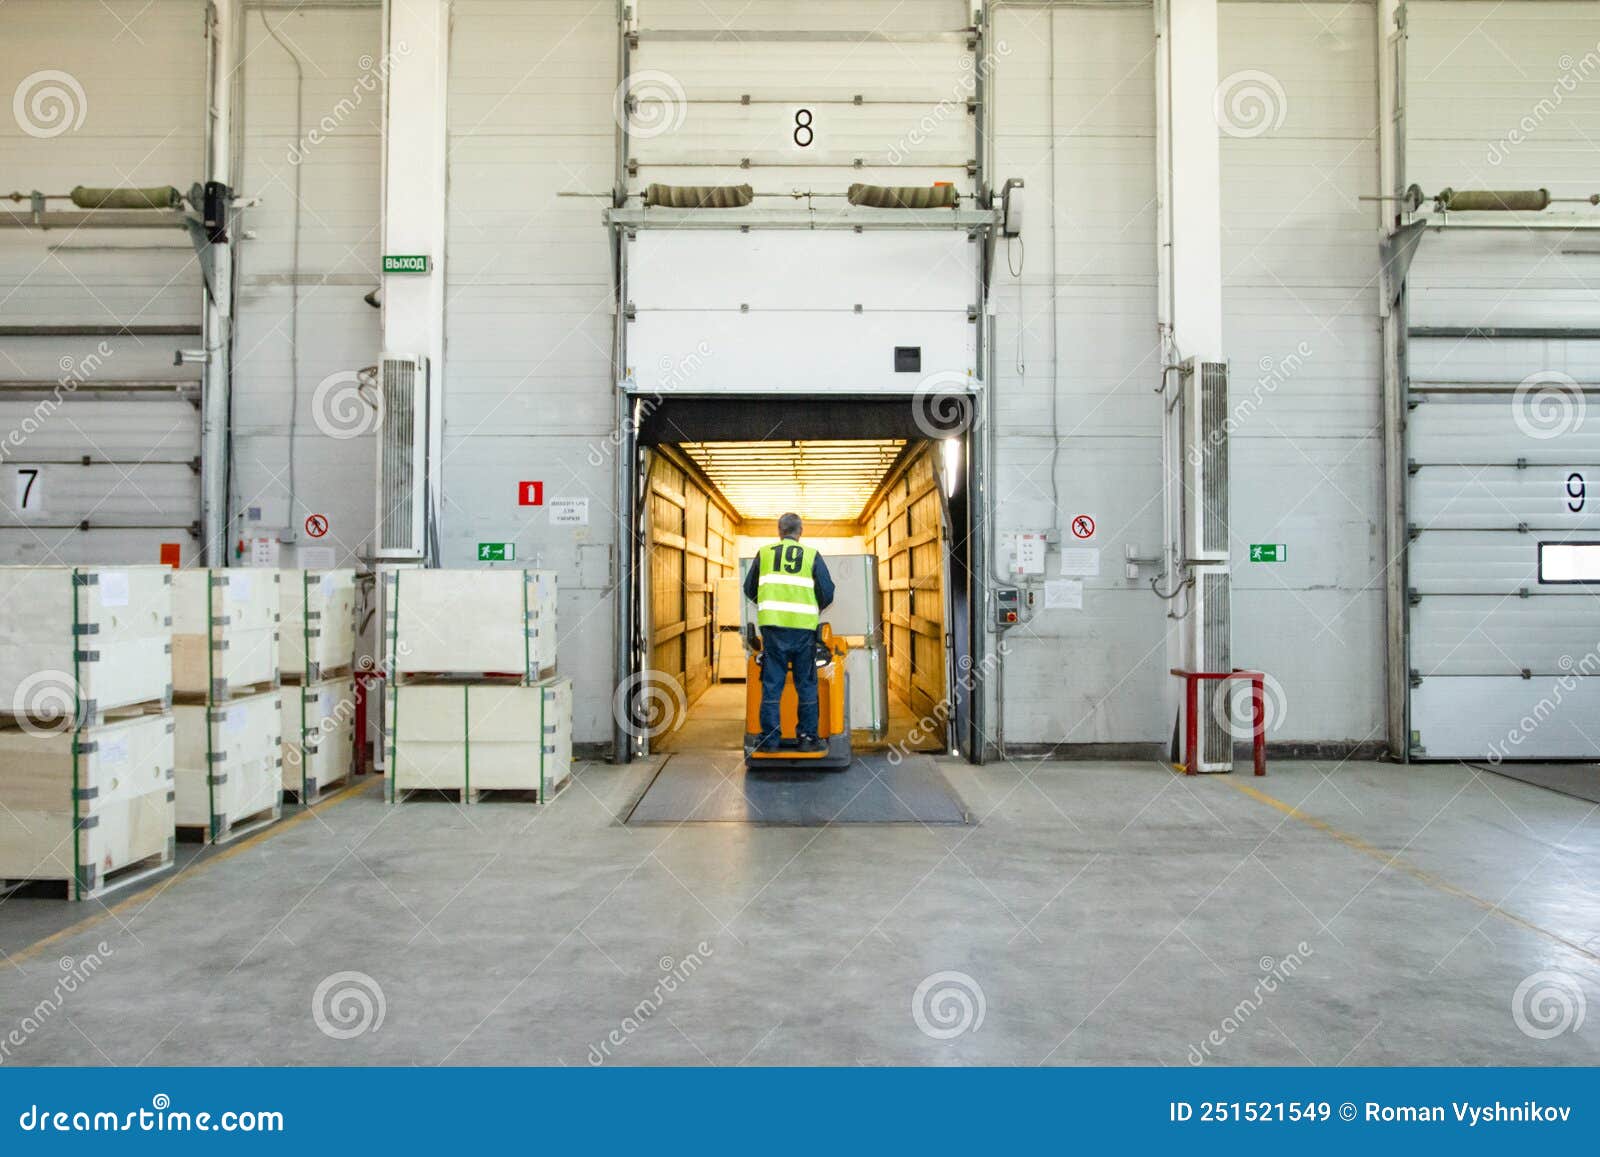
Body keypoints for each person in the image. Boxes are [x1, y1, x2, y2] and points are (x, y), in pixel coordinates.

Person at [743, 512, 835, 753]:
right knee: (806, 683)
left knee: (772, 684)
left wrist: (768, 604)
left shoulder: (764, 553)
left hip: (773, 629)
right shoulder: (812, 555)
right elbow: (827, 590)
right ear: (800, 531)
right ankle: (807, 738)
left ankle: (770, 740)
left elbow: (749, 588)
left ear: (779, 531)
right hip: (804, 630)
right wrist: (813, 608)